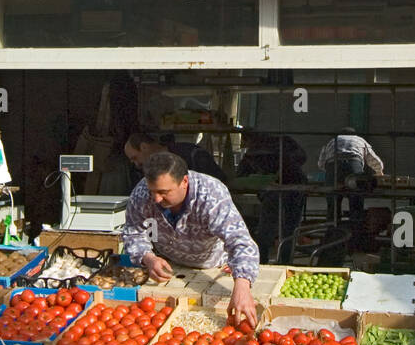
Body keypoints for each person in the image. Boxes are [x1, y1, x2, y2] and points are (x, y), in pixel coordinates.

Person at [122, 151, 260, 325]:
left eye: (164, 192)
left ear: (184, 182)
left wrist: (242, 285)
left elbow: (240, 242)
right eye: (153, 191)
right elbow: (133, 232)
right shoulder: (142, 193)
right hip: (169, 269)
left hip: (211, 266)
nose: (156, 198)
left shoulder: (211, 194)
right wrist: (148, 258)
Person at [237, 130, 308, 264]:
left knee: (267, 229)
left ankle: (262, 261)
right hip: (296, 185)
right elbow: (303, 157)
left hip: (277, 189)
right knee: (290, 228)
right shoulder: (285, 140)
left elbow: (240, 176)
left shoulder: (252, 154)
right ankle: (285, 261)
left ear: (248, 140)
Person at [317, 127, 385, 248]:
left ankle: (332, 242)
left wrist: (332, 174)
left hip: (333, 168)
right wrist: (379, 174)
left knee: (333, 206)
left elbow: (321, 164)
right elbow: (374, 160)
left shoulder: (332, 141)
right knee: (356, 204)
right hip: (353, 166)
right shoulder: (360, 140)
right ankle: (355, 240)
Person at [124, 131, 226, 181]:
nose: (137, 164)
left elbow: (219, 182)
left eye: (135, 158)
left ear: (144, 147)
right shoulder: (142, 174)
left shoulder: (192, 155)